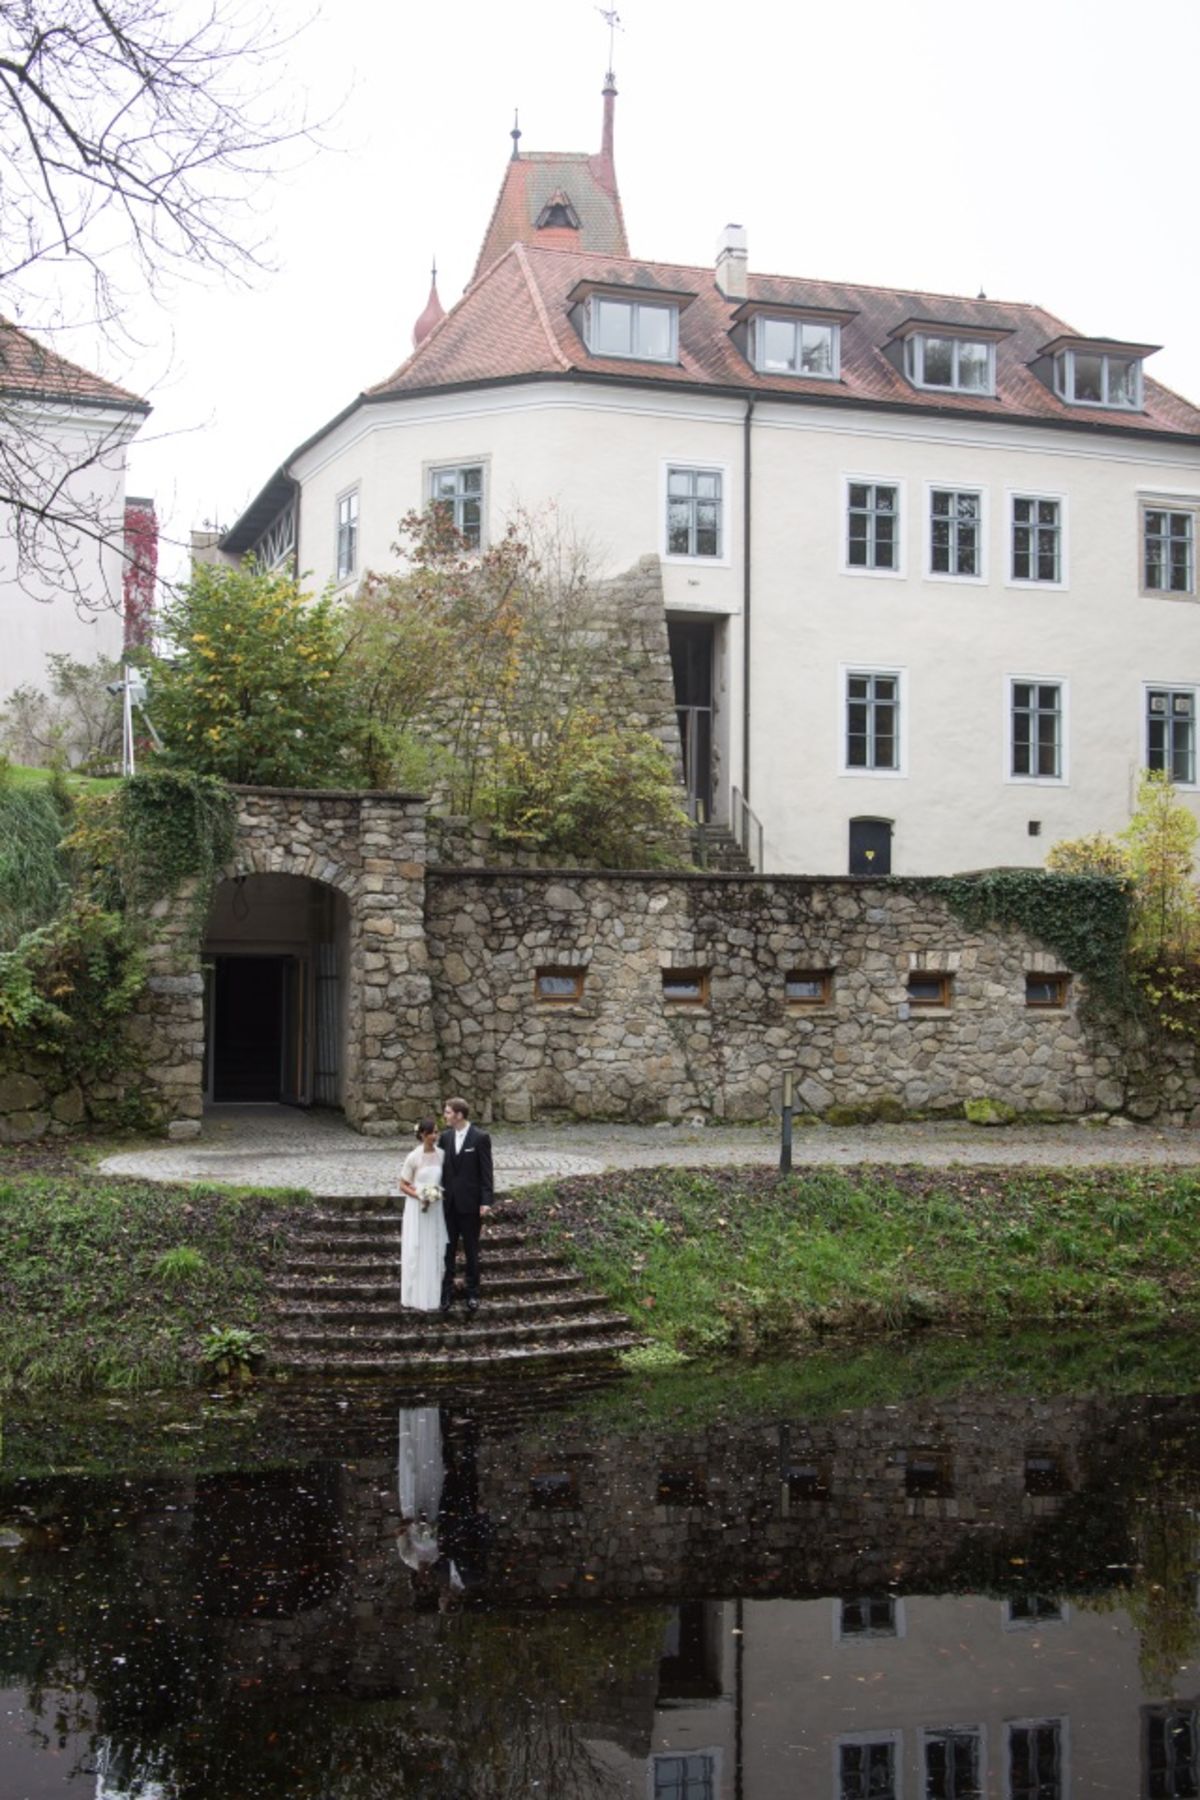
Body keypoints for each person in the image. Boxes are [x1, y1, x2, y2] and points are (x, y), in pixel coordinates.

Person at [438, 1096, 493, 1315]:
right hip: (449, 1205)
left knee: (471, 1250)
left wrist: (486, 1201)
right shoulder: (445, 1137)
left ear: (459, 1115)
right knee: (448, 1251)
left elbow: (486, 1172)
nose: (445, 1115)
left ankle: (472, 1292)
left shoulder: (480, 1138)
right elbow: (440, 1169)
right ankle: (446, 1291)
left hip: (471, 1205)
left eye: (448, 1112)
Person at [398, 1117, 448, 1310]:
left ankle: (435, 1292)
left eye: (437, 1132)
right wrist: (419, 1195)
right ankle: (415, 1294)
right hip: (417, 1208)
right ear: (422, 1135)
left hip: (436, 1208)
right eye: (432, 1133)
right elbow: (402, 1184)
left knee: (434, 1246)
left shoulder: (442, 1155)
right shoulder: (413, 1157)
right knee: (417, 1247)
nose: (435, 1136)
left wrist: (436, 1195)